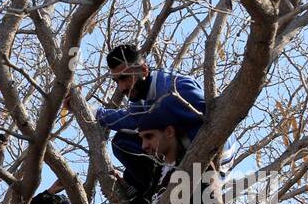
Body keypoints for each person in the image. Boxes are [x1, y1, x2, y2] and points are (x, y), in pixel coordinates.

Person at [95, 43, 231, 193]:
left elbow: (215, 118)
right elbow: (128, 119)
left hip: (210, 159)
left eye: (125, 78)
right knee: (122, 143)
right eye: (117, 81)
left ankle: (160, 191)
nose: (121, 88)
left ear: (144, 70)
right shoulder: (141, 99)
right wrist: (94, 112)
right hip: (181, 158)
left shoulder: (175, 89)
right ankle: (149, 195)